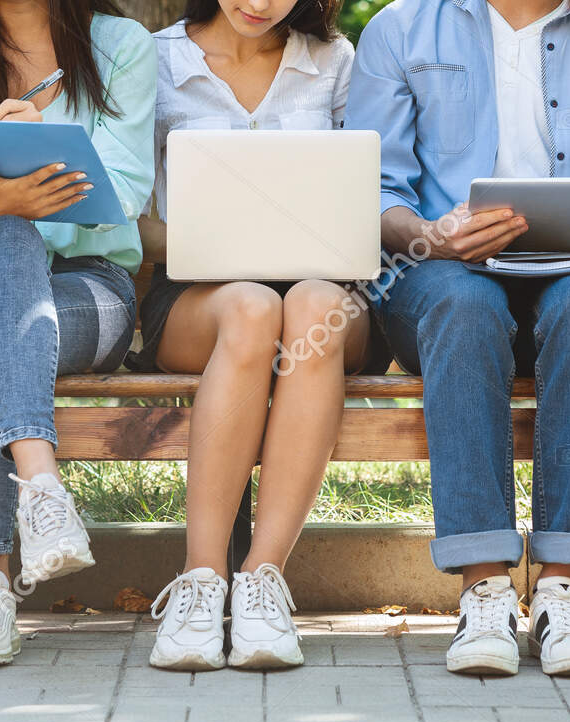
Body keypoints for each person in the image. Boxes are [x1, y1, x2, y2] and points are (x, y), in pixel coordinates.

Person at [347, 0, 570, 677]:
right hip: (437, 276)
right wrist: (434, 236)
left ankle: (560, 591)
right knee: (464, 300)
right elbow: (374, 190)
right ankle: (483, 590)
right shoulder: (399, 29)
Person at [130, 0, 383, 672]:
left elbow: (365, 200)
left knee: (311, 303)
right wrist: (208, 240)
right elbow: (129, 221)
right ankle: (201, 582)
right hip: (199, 301)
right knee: (249, 308)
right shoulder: (155, 61)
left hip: (322, 293)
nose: (258, 2)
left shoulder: (333, 62)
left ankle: (263, 582)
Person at [0, 0, 155, 665]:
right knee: (2, 236)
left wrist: (42, 156)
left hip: (88, 287)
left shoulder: (121, 45)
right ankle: (40, 488)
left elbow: (126, 192)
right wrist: (1, 204)